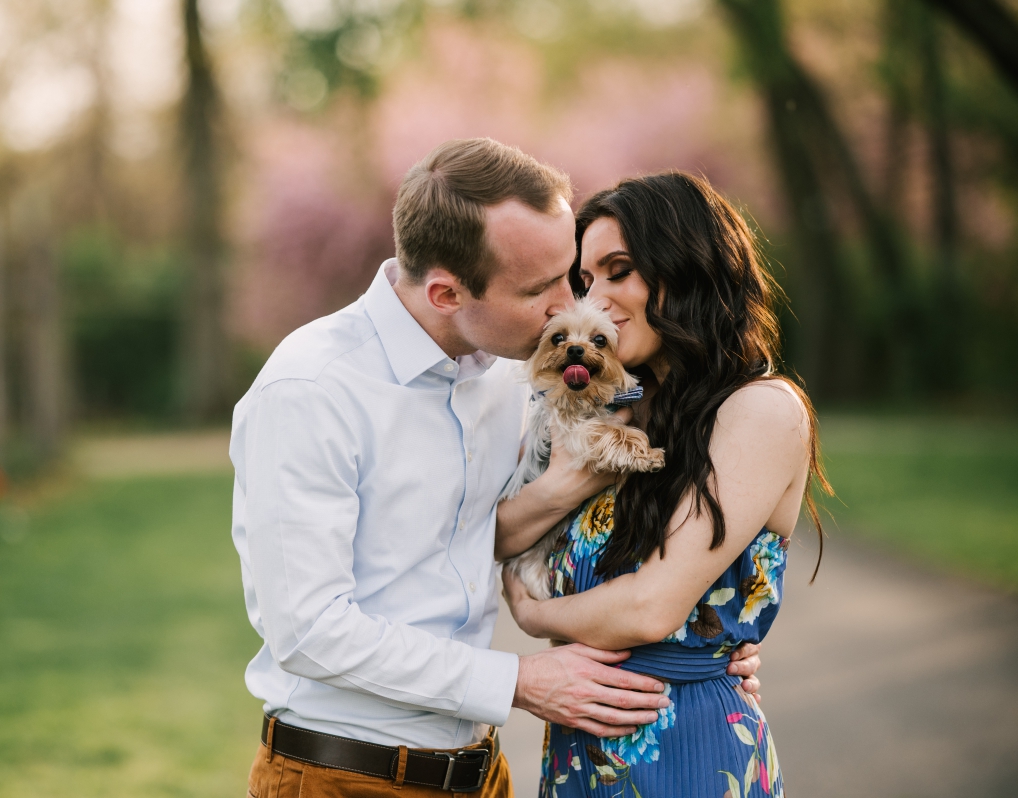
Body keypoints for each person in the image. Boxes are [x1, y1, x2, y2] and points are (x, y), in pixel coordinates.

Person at [231, 139, 762, 798]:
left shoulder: (513, 374)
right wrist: (514, 682)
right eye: (541, 288)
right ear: (447, 292)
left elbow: (498, 532)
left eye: (572, 274)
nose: (570, 303)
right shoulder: (313, 388)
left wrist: (704, 650)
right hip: (345, 775)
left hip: (482, 773)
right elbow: (307, 631)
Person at [498, 171, 830, 798]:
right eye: (585, 281)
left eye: (617, 271)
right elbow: (500, 531)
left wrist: (533, 613)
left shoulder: (761, 409)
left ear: (684, 268)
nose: (594, 301)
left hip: (686, 754)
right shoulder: (616, 412)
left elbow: (652, 606)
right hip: (578, 753)